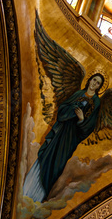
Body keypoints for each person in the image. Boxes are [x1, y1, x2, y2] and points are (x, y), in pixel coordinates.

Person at [23, 74, 105, 203]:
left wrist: (81, 119)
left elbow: (89, 126)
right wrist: (72, 110)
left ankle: (42, 193)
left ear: (99, 87)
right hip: (60, 131)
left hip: (70, 137)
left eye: (98, 83)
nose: (95, 83)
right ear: (89, 80)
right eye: (94, 80)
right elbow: (62, 108)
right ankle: (29, 189)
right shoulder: (79, 93)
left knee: (57, 164)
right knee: (46, 156)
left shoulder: (96, 101)